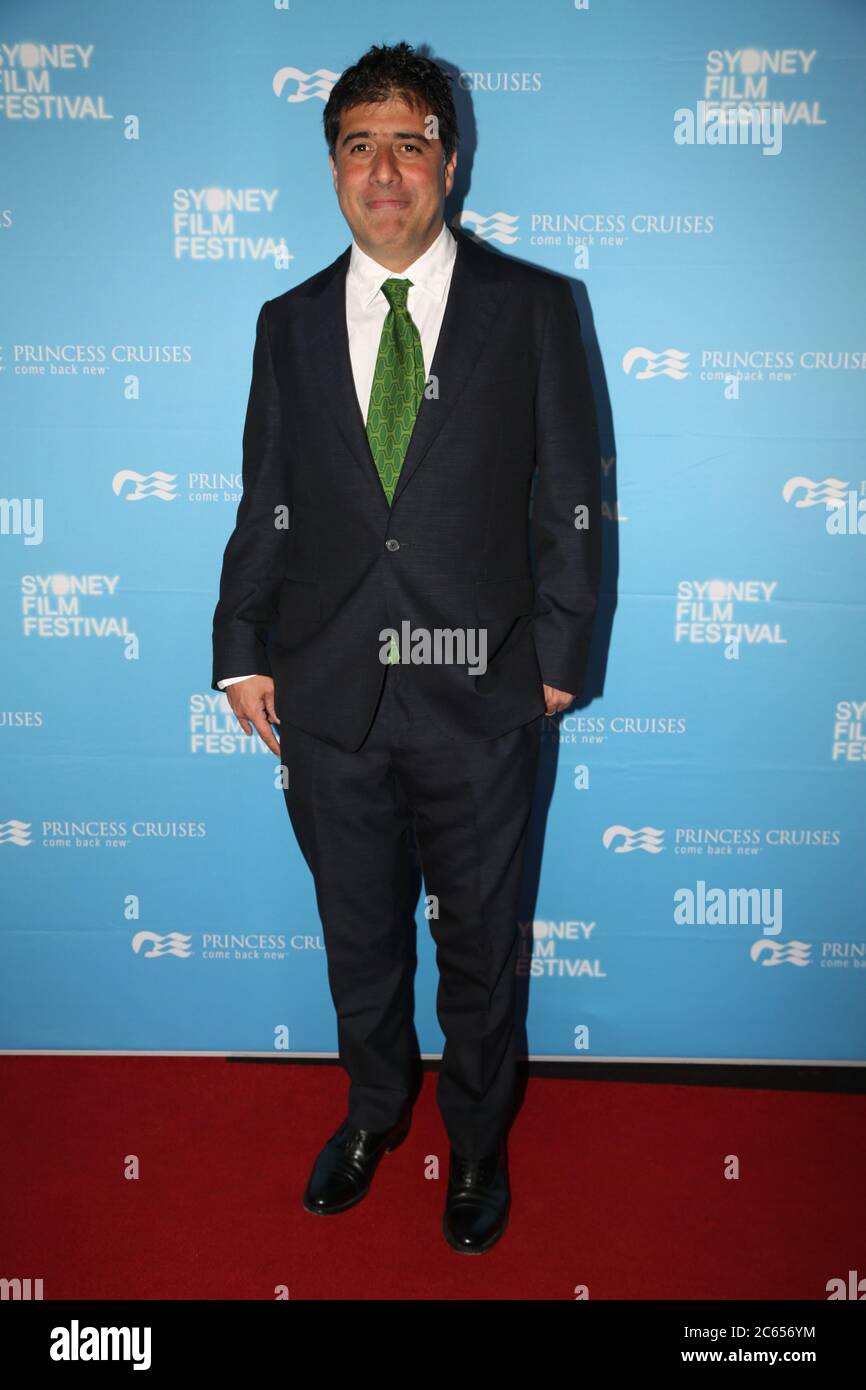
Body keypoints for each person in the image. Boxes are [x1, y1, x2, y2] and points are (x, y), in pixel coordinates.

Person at [211, 41, 600, 1254]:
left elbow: (569, 500)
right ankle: (376, 1111)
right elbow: (262, 494)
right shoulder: (282, 323)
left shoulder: (532, 308)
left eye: (409, 141)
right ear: (332, 166)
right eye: (358, 144)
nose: (384, 169)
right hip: (328, 700)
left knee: (481, 943)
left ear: (449, 160)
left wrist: (556, 659)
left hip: (484, 695)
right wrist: (241, 649)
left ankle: (477, 1139)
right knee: (359, 935)